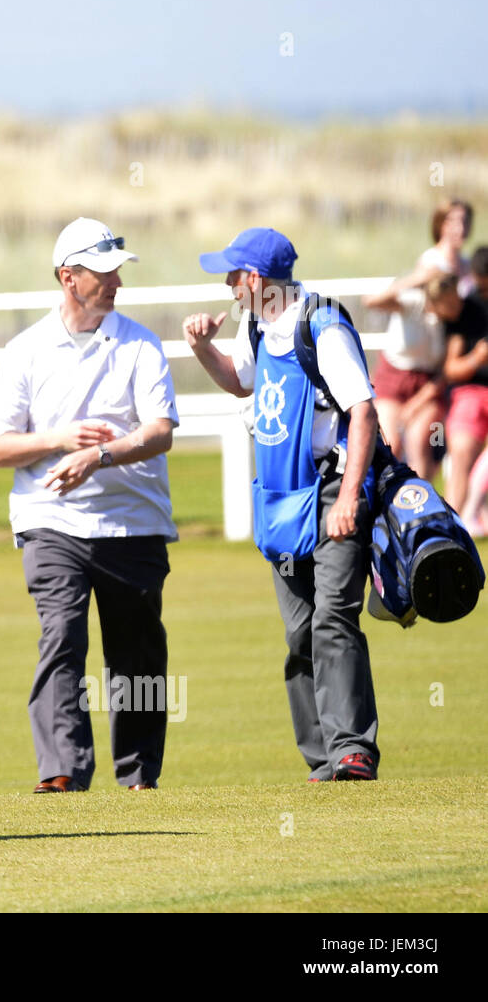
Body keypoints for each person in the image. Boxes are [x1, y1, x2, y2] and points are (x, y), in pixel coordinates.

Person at [0, 217, 178, 793]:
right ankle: (63, 770)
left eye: (119, 270)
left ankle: (138, 776)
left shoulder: (141, 344)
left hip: (133, 523)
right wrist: (60, 442)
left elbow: (160, 432)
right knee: (62, 634)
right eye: (103, 272)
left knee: (137, 656)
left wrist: (100, 457)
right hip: (51, 521)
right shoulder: (25, 351)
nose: (116, 281)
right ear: (69, 278)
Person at [186, 227, 381, 782]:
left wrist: (347, 499)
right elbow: (242, 383)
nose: (225, 283)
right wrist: (203, 349)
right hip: (278, 497)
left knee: (333, 618)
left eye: (230, 274)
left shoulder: (320, 323)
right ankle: (322, 758)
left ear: (254, 280)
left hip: (328, 492)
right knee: (299, 632)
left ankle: (352, 751)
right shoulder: (257, 324)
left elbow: (362, 411)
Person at [360, 267, 460, 479]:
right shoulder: (414, 303)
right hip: (392, 379)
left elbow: (443, 373)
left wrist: (414, 406)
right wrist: (414, 280)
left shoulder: (453, 324)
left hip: (428, 387)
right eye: (451, 301)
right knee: (390, 443)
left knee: (421, 440)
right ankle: (383, 503)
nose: (457, 306)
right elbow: (370, 301)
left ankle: (421, 503)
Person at [443, 245, 488, 513]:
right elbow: (451, 369)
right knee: (460, 451)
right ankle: (453, 525)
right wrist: (477, 358)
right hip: (470, 392)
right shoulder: (467, 308)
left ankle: (473, 509)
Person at [419, 199, 474, 295]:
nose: (461, 229)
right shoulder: (430, 261)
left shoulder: (467, 264)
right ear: (441, 224)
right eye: (454, 222)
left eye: (466, 221)